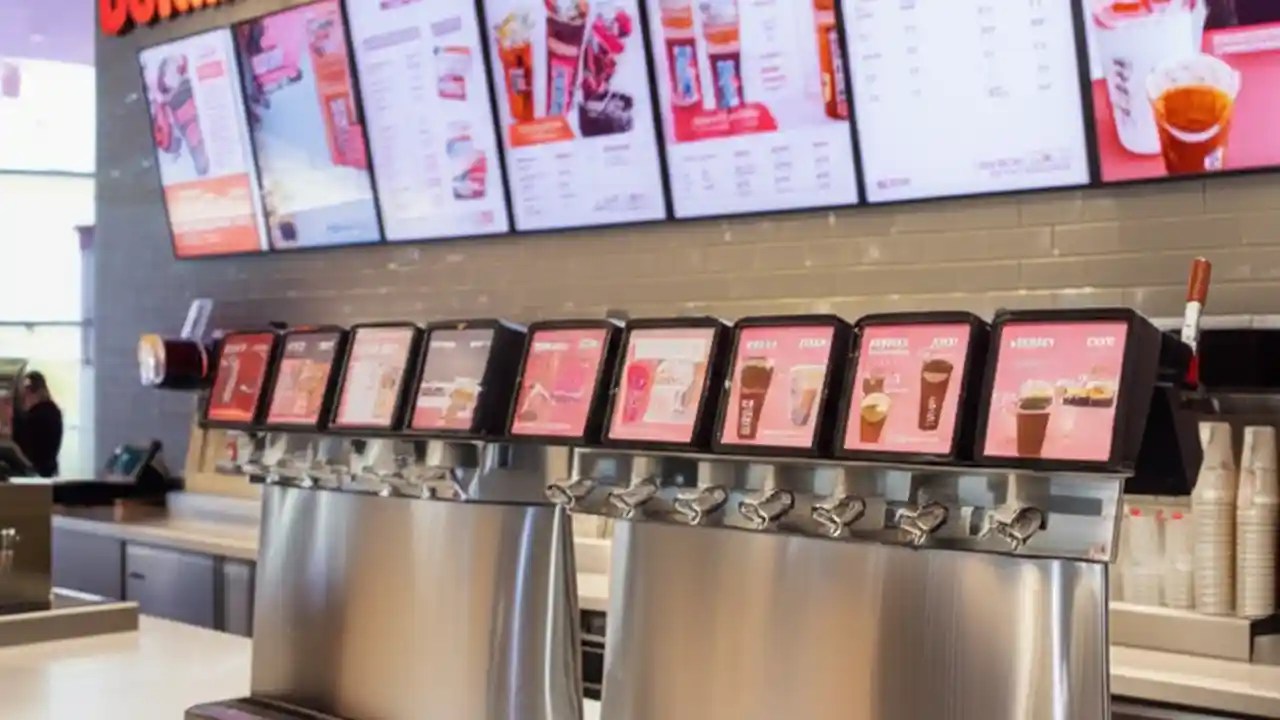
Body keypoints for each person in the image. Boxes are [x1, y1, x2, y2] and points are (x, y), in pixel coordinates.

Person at [13, 371, 62, 478]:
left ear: (30, 393)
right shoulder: (53, 412)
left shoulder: (36, 416)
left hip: (36, 474)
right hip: (48, 472)